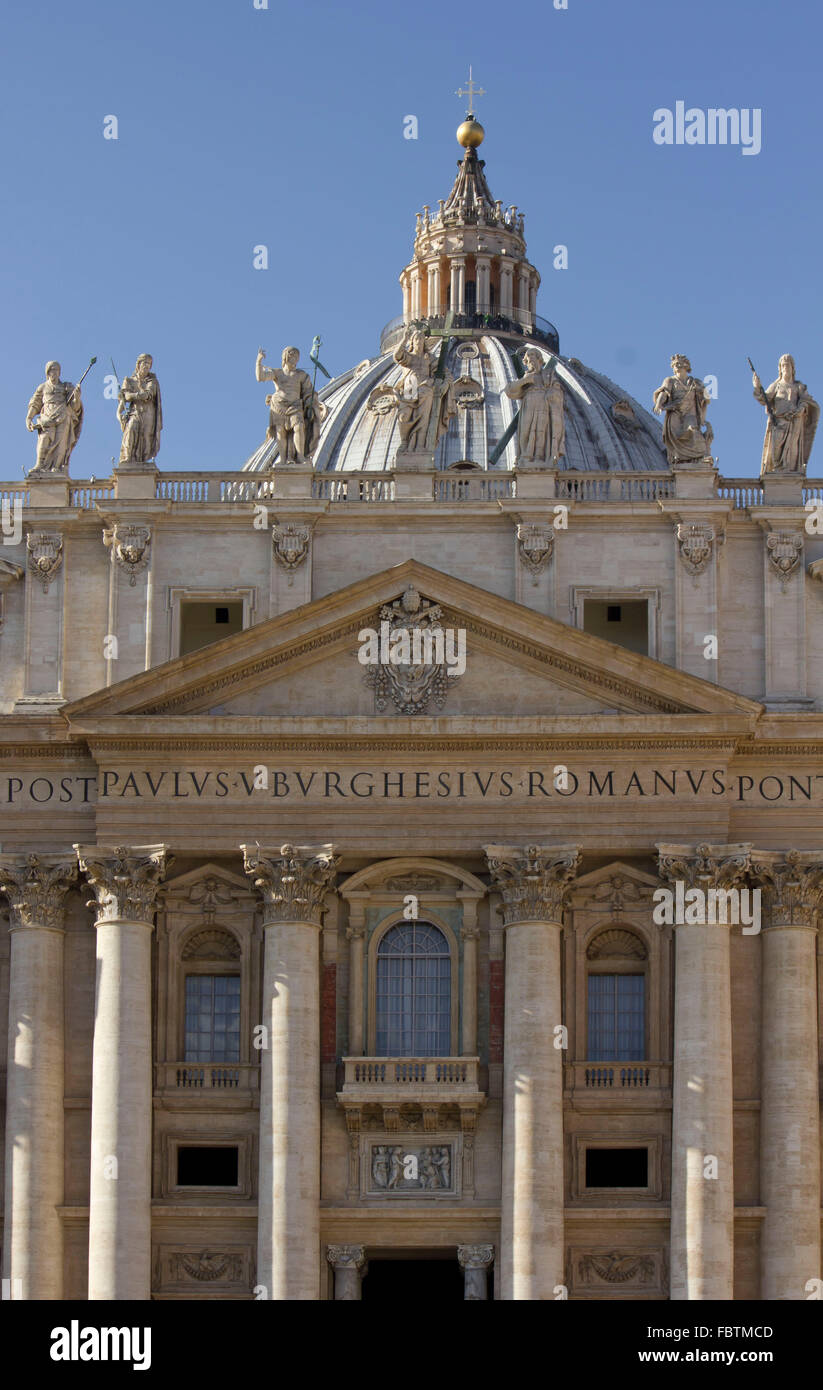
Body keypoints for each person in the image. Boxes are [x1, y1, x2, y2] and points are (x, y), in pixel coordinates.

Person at [256, 345, 325, 464]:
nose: (295, 358)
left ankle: (300, 456)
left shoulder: (302, 375)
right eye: (292, 355)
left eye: (297, 356)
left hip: (295, 406)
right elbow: (260, 377)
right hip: (279, 405)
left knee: (299, 428)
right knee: (280, 431)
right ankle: (283, 459)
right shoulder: (277, 372)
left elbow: (308, 392)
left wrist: (310, 403)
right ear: (286, 356)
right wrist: (259, 361)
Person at [753, 354, 819, 475]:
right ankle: (777, 471)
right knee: (776, 449)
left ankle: (789, 471)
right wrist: (757, 387)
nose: (785, 368)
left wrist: (801, 409)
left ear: (792, 368)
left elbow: (806, 401)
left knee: (792, 449)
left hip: (794, 421)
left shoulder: (798, 387)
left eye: (788, 365)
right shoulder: (776, 385)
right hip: (778, 422)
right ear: (780, 369)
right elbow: (764, 398)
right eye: (783, 366)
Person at [503, 347, 566, 464]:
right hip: (529, 403)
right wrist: (525, 381)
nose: (531, 358)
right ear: (526, 362)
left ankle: (538, 457)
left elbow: (558, 390)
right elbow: (509, 390)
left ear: (539, 359)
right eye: (529, 356)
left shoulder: (548, 374)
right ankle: (525, 455)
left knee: (541, 431)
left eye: (533, 355)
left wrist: (553, 393)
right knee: (525, 431)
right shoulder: (525, 376)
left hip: (544, 404)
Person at [653, 354, 713, 464]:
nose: (676, 366)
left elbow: (705, 399)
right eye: (674, 364)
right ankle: (679, 458)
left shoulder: (695, 382)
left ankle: (700, 457)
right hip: (675, 411)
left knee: (693, 431)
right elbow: (664, 393)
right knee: (676, 435)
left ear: (686, 366)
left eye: (679, 364)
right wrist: (658, 404)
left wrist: (702, 394)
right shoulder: (670, 380)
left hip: (690, 413)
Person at [26, 361, 83, 473]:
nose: (55, 372)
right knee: (44, 439)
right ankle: (40, 464)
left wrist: (76, 397)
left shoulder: (66, 387)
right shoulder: (42, 387)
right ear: (48, 372)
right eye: (52, 369)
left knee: (60, 442)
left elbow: (74, 407)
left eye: (57, 370)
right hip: (46, 417)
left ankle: (57, 466)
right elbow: (35, 403)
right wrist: (29, 418)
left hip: (63, 416)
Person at [118, 353, 163, 464]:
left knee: (147, 438)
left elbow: (148, 395)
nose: (147, 366)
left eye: (149, 364)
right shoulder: (129, 380)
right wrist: (137, 395)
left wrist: (133, 395)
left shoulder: (152, 381)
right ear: (138, 364)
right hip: (135, 412)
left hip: (148, 413)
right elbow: (125, 398)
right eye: (145, 363)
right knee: (131, 430)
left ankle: (142, 463)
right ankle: (128, 458)